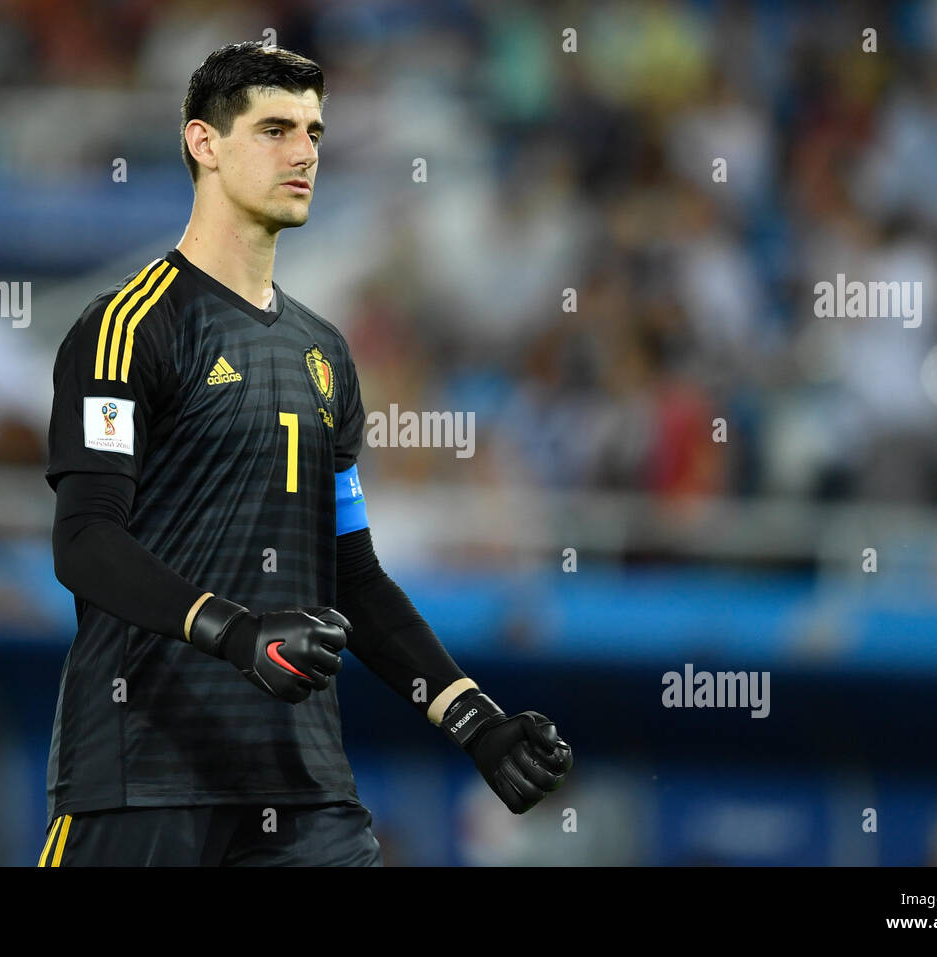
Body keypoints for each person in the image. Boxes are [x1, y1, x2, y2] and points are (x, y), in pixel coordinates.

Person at [39, 41, 571, 867]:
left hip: (303, 790)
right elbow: (85, 541)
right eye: (276, 129)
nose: (305, 153)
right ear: (203, 144)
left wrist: (474, 718)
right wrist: (235, 631)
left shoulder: (325, 354)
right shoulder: (130, 327)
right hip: (143, 773)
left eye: (316, 133)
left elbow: (352, 574)